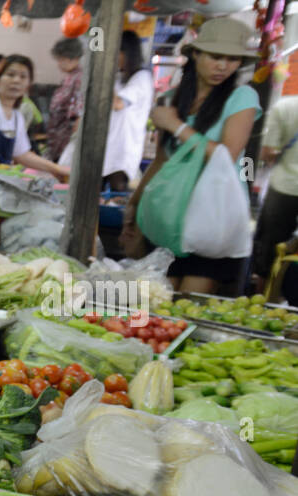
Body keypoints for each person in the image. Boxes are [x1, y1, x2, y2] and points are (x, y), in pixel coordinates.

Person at [124, 17, 260, 295]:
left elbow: (226, 155)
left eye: (233, 59)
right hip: (167, 215)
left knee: (190, 306)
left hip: (210, 219)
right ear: (195, 53)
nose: (223, 66)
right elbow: (163, 160)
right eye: (215, 56)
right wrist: (134, 205)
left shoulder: (242, 97)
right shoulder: (173, 98)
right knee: (158, 304)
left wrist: (177, 126)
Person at [252, 95, 298, 292]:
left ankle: (265, 299)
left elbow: (268, 151)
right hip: (283, 187)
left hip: (284, 187)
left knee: (270, 251)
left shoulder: (285, 106)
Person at [102, 31, 154, 192]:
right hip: (108, 149)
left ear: (127, 53)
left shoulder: (142, 78)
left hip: (123, 151)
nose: (114, 58)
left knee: (119, 194)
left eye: (116, 53)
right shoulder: (120, 78)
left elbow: (117, 104)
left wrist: (104, 72)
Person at [46, 38, 83, 162]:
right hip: (57, 142)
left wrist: (72, 147)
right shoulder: (69, 77)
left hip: (65, 143)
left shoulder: (78, 79)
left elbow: (78, 115)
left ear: (71, 58)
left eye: (60, 59)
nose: (58, 63)